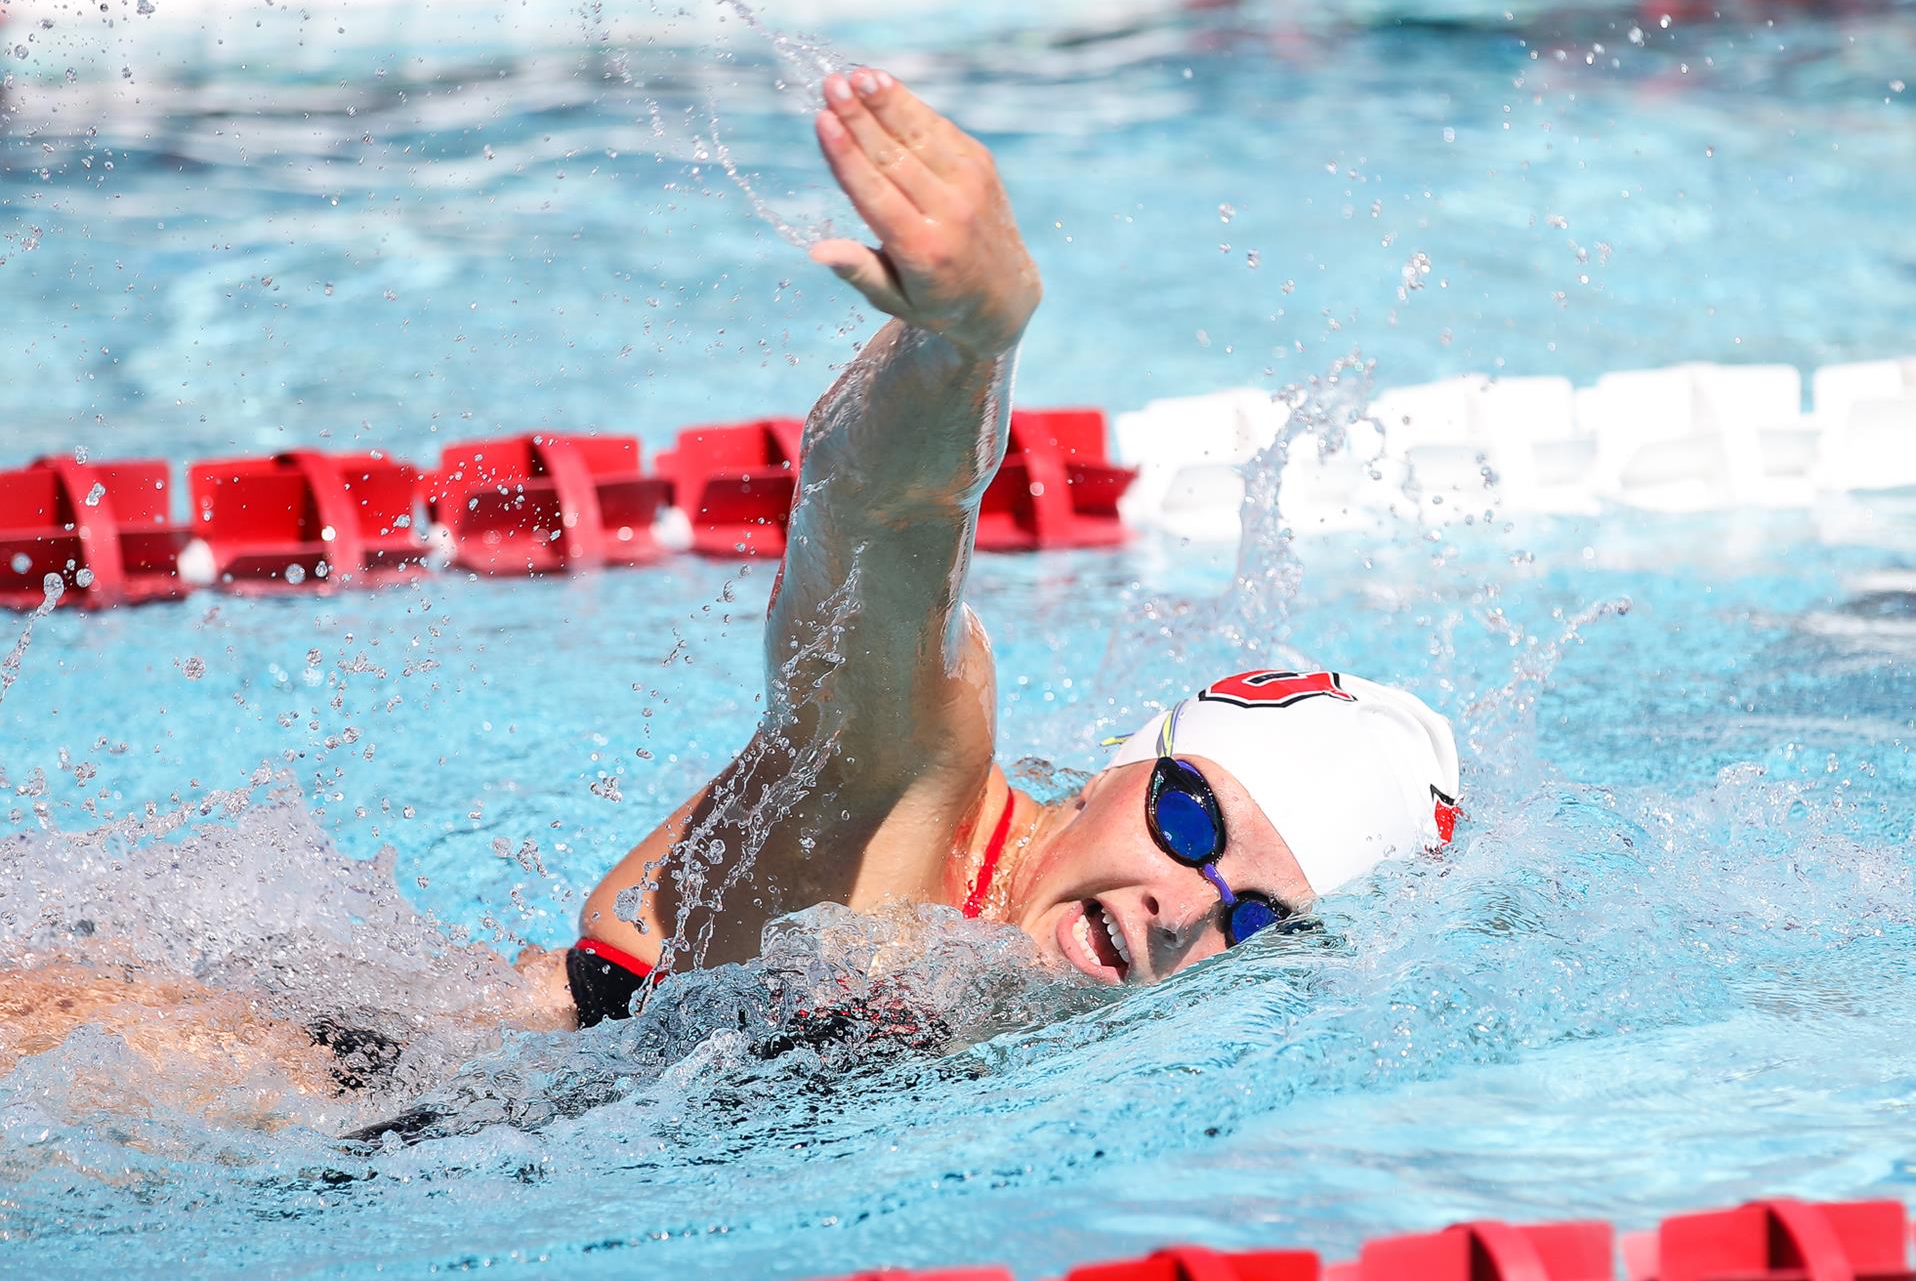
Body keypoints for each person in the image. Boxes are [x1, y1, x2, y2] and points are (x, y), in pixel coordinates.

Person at [559, 68, 1462, 1030]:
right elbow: (880, 519)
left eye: (1255, 923)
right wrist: (964, 343)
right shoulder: (916, 774)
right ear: (1116, 769)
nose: (1181, 912)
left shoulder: (1021, 1000)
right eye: (1191, 820)